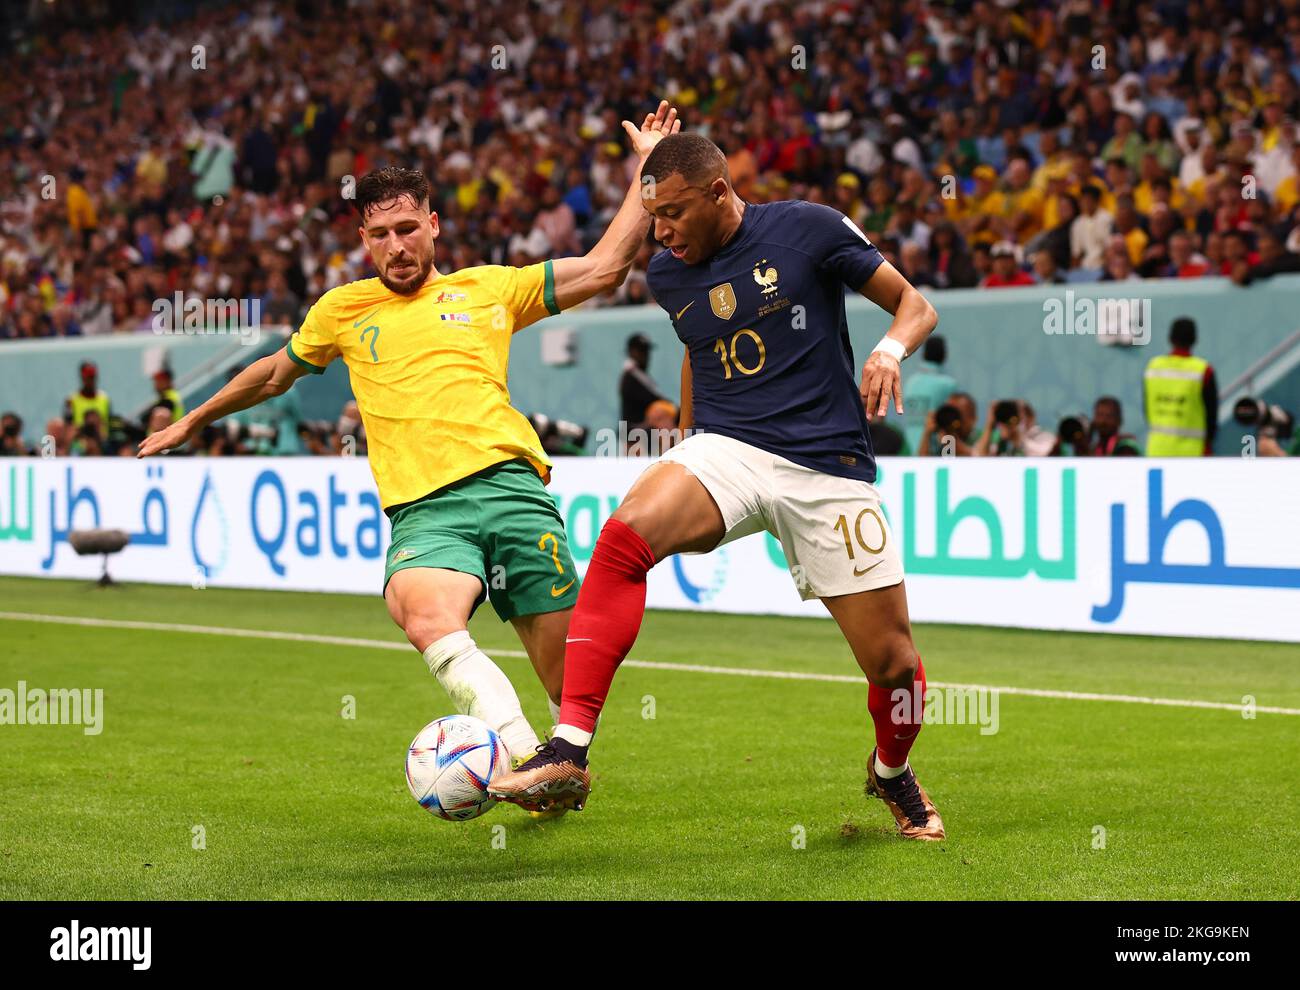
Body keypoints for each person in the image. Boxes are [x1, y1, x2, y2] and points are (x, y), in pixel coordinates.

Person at [139, 102, 684, 818]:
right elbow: (274, 373)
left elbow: (608, 266)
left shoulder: (490, 289)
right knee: (418, 609)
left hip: (514, 491)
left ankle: (551, 751)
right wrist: (193, 418)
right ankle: (527, 762)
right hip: (427, 511)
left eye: (406, 228)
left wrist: (647, 170)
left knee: (568, 680)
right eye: (379, 235)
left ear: (432, 224)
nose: (395, 246)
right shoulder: (343, 310)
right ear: (362, 240)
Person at [491, 132, 945, 840]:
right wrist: (685, 446)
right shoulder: (671, 271)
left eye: (672, 213)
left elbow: (915, 305)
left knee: (894, 663)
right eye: (652, 218)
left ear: (718, 192)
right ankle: (570, 748)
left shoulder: (808, 229)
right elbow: (698, 349)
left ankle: (891, 772)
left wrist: (890, 349)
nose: (661, 234)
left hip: (827, 463)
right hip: (730, 447)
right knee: (625, 535)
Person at [1143, 316, 1217, 455]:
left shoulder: (1153, 367)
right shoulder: (1204, 370)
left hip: (1157, 451)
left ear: (1170, 338)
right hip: (1192, 453)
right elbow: (1211, 418)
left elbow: (1147, 410)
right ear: (1195, 340)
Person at [903, 335, 957, 453]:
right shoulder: (948, 384)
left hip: (909, 450)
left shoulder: (910, 382)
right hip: (932, 451)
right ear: (944, 355)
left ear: (923, 354)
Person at [619, 333, 667, 425]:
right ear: (631, 352)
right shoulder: (631, 377)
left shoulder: (639, 375)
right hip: (635, 431)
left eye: (647, 351)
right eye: (641, 351)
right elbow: (653, 400)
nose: (646, 355)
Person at [64, 361, 110, 430]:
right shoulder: (71, 400)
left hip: (101, 440)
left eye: (92, 377)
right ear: (82, 378)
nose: (90, 381)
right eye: (88, 377)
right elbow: (67, 427)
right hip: (79, 440)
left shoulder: (105, 399)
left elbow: (109, 425)